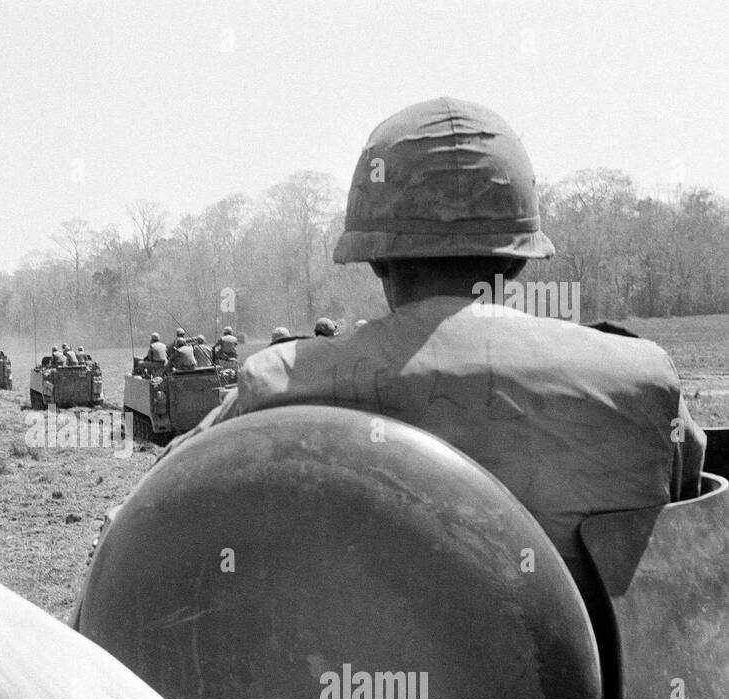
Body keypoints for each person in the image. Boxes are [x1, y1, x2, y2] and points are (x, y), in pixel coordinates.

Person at [167, 97, 705, 601]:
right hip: (585, 698)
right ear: (519, 259)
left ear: (374, 258)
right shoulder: (643, 383)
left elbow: (154, 516)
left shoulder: (278, 385)